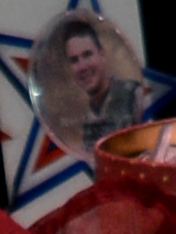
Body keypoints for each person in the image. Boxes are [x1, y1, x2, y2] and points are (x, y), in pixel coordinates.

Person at [38, 11, 155, 144]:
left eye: (87, 55)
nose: (82, 66)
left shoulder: (134, 97)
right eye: (74, 60)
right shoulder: (87, 122)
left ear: (102, 55)